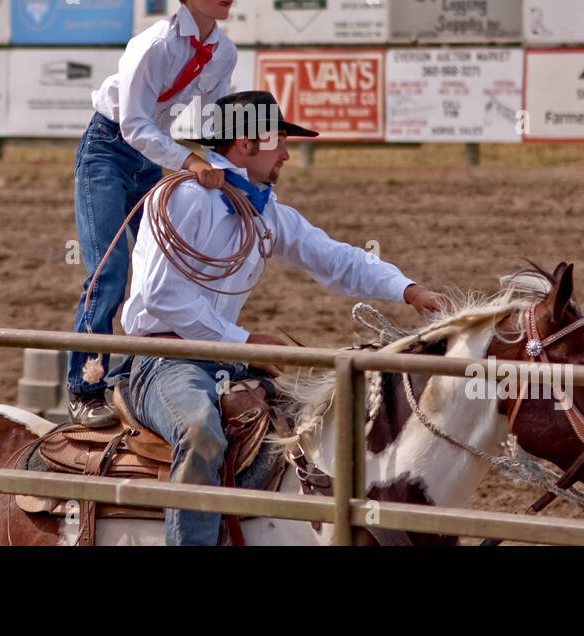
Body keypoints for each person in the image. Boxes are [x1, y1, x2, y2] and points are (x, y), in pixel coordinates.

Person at [121, 90, 452, 545]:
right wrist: (242, 342)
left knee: (318, 424)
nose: (286, 153)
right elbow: (162, 296)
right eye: (278, 140)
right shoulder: (184, 199)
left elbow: (336, 258)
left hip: (220, 358)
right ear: (246, 143)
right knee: (200, 433)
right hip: (164, 359)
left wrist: (408, 290)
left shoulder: (266, 212)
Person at [68, 0, 274, 427]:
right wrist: (191, 163)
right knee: (109, 270)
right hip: (108, 150)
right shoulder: (154, 45)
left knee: (163, 267)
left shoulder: (222, 51)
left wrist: (238, 166)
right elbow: (133, 125)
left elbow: (214, 124)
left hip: (152, 154)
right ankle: (84, 385)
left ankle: (138, 369)